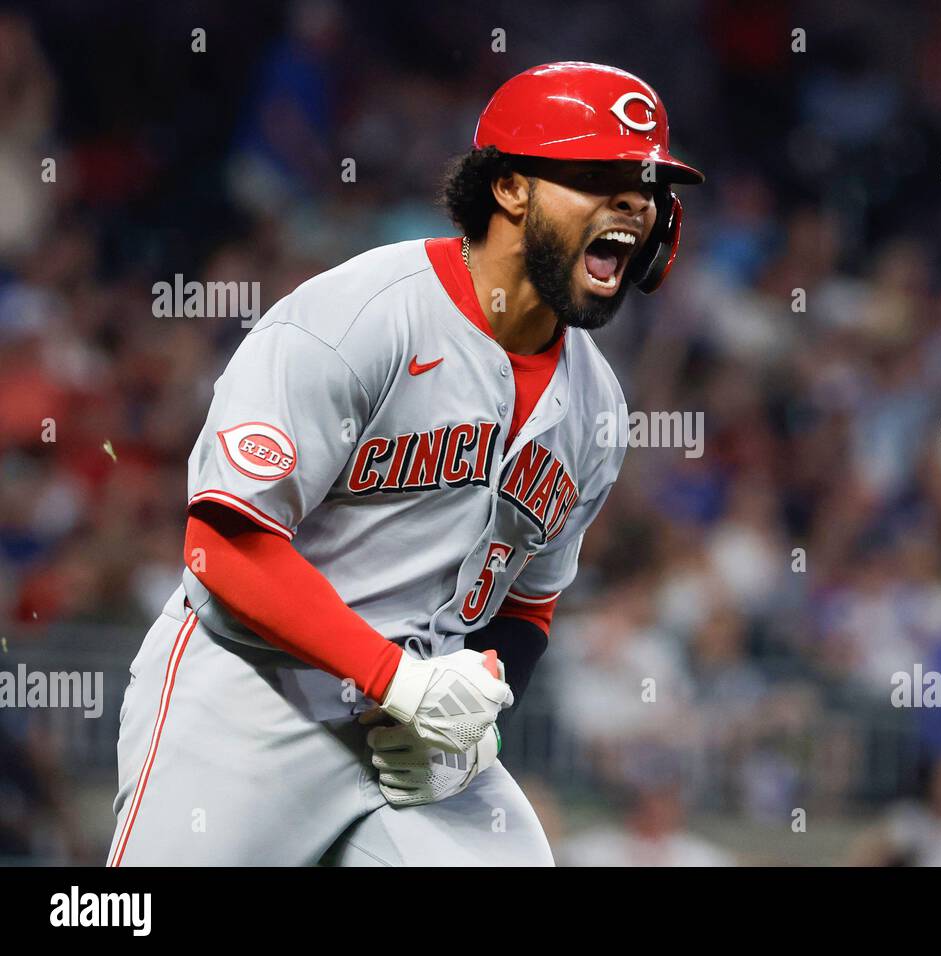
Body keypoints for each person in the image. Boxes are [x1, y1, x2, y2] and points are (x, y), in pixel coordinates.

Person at [106, 61, 703, 866]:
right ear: (512, 190)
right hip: (250, 697)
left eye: (647, 187)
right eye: (601, 176)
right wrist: (396, 678)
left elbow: (527, 610)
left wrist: (476, 721)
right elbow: (223, 546)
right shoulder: (359, 315)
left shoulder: (597, 409)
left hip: (412, 731)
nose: (636, 205)